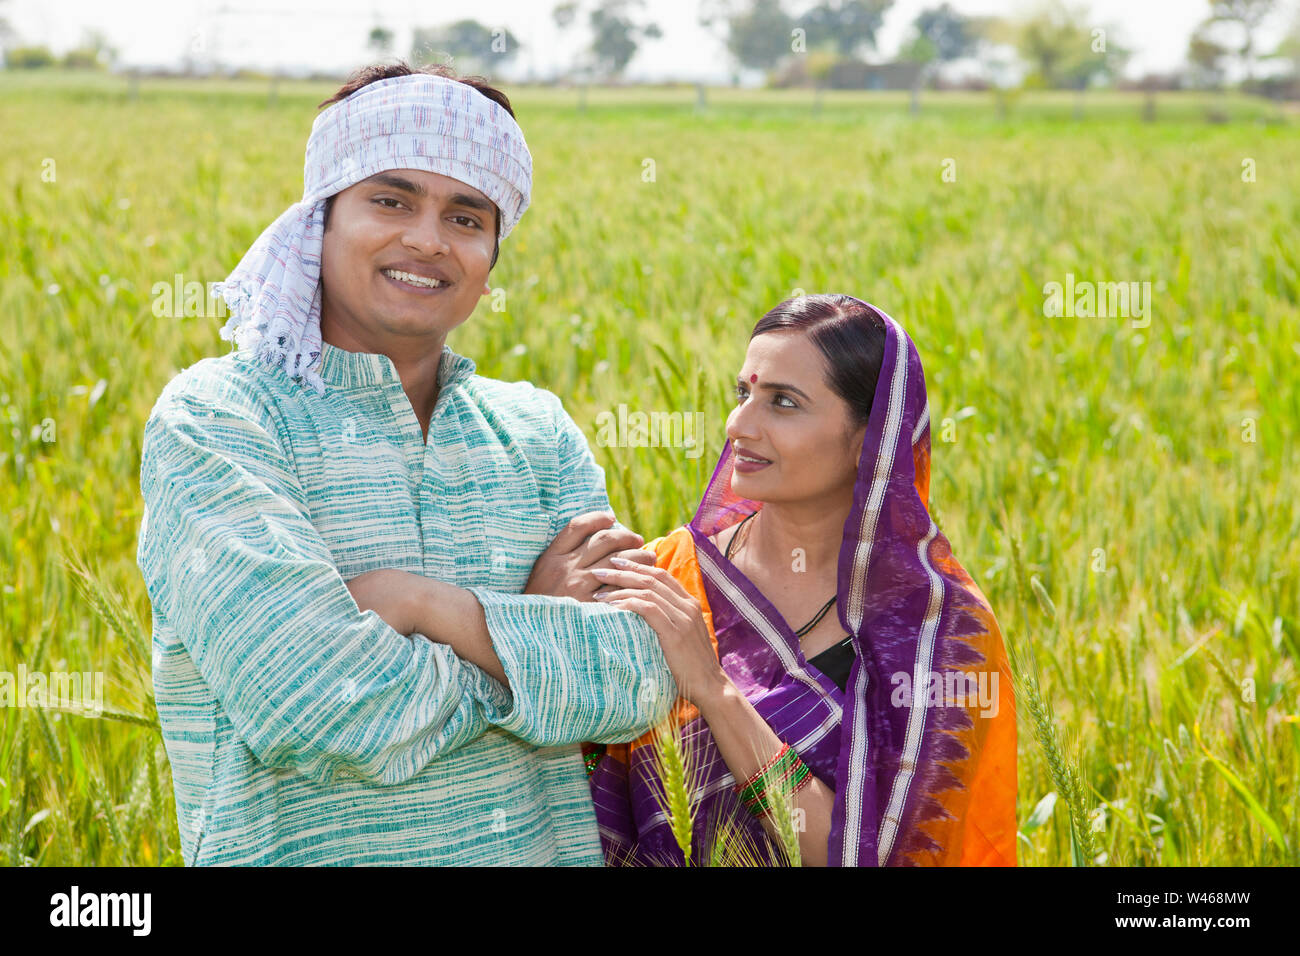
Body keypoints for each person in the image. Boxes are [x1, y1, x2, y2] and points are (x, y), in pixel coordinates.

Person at [135, 63, 676, 866]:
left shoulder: (535, 430)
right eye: (391, 200)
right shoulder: (221, 418)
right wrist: (529, 639)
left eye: (467, 216)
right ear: (319, 219)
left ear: (494, 252)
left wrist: (419, 605)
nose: (427, 239)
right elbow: (307, 703)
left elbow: (634, 682)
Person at [580, 294, 1017, 866]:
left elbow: (878, 858)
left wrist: (716, 693)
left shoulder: (940, 631)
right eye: (744, 393)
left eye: (783, 402)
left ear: (869, 440)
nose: (739, 424)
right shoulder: (669, 573)